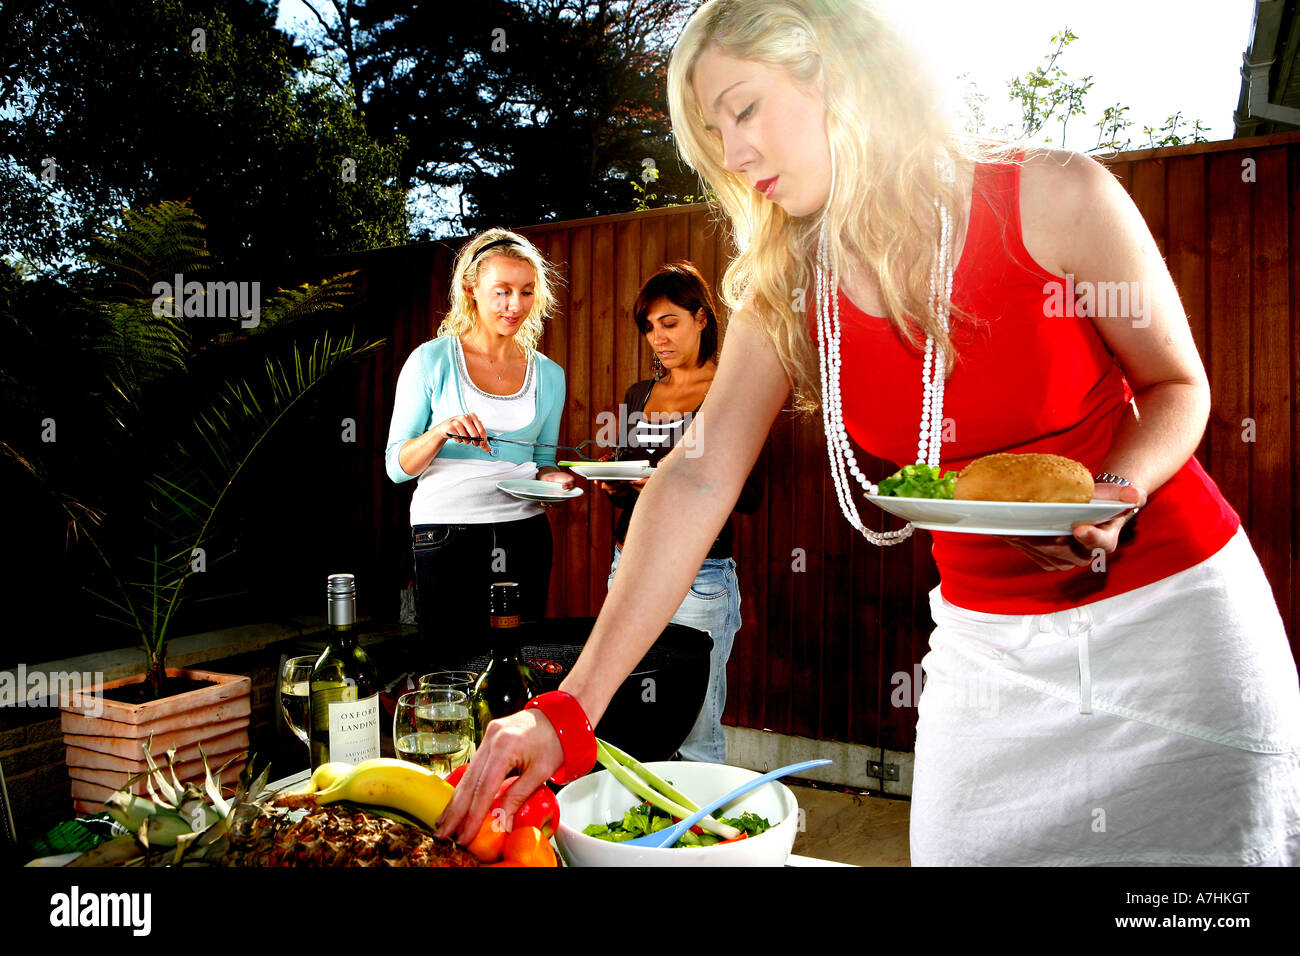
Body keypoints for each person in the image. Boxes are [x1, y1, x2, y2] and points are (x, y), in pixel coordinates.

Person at [437, 0, 1300, 867]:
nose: (733, 155)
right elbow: (696, 480)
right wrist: (568, 709)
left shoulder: (1054, 193)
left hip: (1175, 622)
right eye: (712, 132)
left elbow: (1176, 384)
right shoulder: (783, 290)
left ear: (838, 72)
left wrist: (1114, 492)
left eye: (743, 109)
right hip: (984, 647)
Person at [385, 229, 577, 667]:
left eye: (527, 292)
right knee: (451, 667)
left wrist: (555, 478)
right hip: (446, 534)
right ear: (472, 290)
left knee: (520, 665)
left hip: (525, 532)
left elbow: (542, 462)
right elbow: (397, 467)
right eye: (502, 291)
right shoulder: (430, 361)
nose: (516, 305)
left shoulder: (549, 375)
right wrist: (440, 432)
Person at [599, 262, 765, 763]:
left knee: (694, 732)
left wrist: (674, 481)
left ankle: (697, 836)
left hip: (700, 574)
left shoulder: (730, 392)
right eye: (649, 327)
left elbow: (751, 494)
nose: (657, 338)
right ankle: (637, 835)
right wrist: (612, 482)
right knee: (631, 714)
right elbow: (631, 482)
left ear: (701, 318)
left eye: (669, 323)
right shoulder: (639, 395)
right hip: (628, 565)